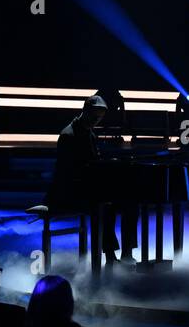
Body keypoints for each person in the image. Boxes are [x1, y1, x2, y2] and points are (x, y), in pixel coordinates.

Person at [49, 94, 136, 260]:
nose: (96, 121)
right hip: (72, 190)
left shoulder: (89, 134)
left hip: (86, 187)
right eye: (94, 117)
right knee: (106, 204)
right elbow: (67, 171)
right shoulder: (69, 135)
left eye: (100, 118)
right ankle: (110, 255)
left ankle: (126, 253)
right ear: (85, 111)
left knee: (130, 202)